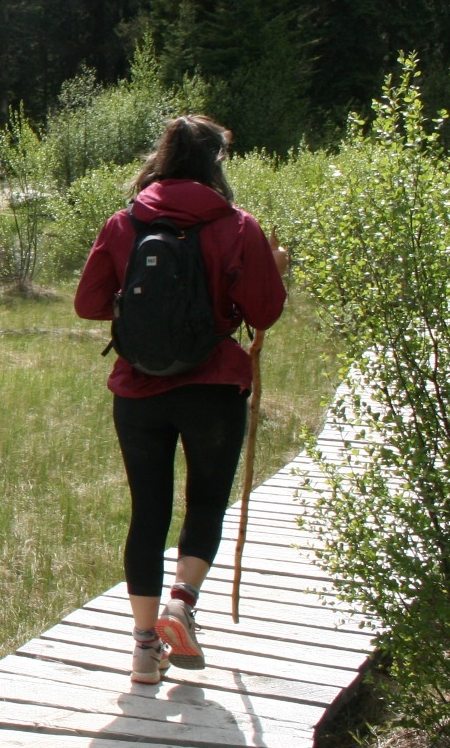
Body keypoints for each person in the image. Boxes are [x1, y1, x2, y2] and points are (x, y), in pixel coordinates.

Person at [74, 116, 289, 684]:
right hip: (212, 388)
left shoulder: (124, 223)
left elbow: (88, 302)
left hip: (138, 392)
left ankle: (145, 651)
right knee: (206, 504)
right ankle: (181, 605)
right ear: (214, 162)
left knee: (148, 515)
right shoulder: (238, 226)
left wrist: (142, 309)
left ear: (161, 159)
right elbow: (265, 312)